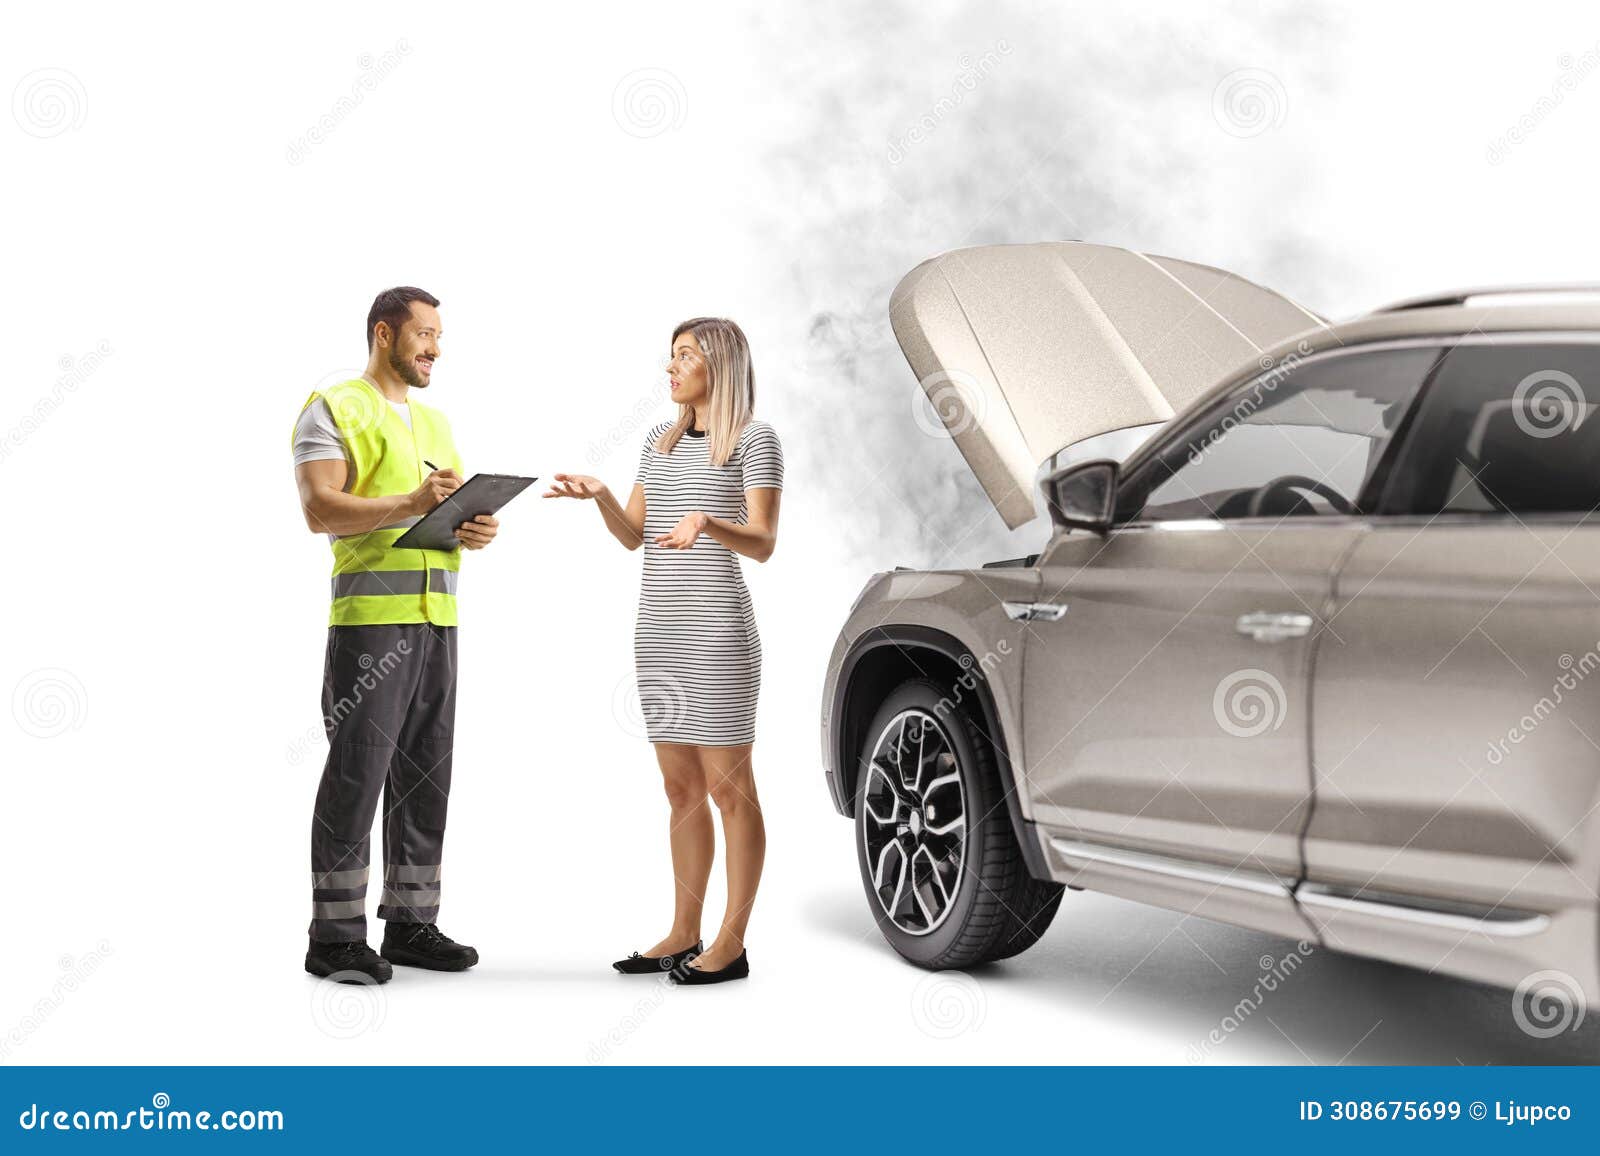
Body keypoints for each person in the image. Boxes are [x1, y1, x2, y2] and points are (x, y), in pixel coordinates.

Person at [545, 317, 783, 985]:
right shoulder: (659, 440)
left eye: (684, 356)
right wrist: (600, 496)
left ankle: (731, 944)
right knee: (681, 791)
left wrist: (709, 522)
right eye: (671, 356)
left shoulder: (755, 440)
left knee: (730, 791)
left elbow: (764, 542)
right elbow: (634, 535)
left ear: (719, 366)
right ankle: (683, 932)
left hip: (717, 634)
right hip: (659, 633)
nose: (670, 368)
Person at [291, 286, 498, 984]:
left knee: (426, 774)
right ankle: (334, 938)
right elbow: (320, 509)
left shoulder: (436, 422)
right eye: (424, 334)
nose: (436, 347)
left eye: (440, 336)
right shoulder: (335, 407)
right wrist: (411, 502)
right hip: (372, 626)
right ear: (385, 334)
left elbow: (435, 521)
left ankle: (411, 925)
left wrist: (471, 528)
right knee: (358, 774)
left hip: (438, 618)